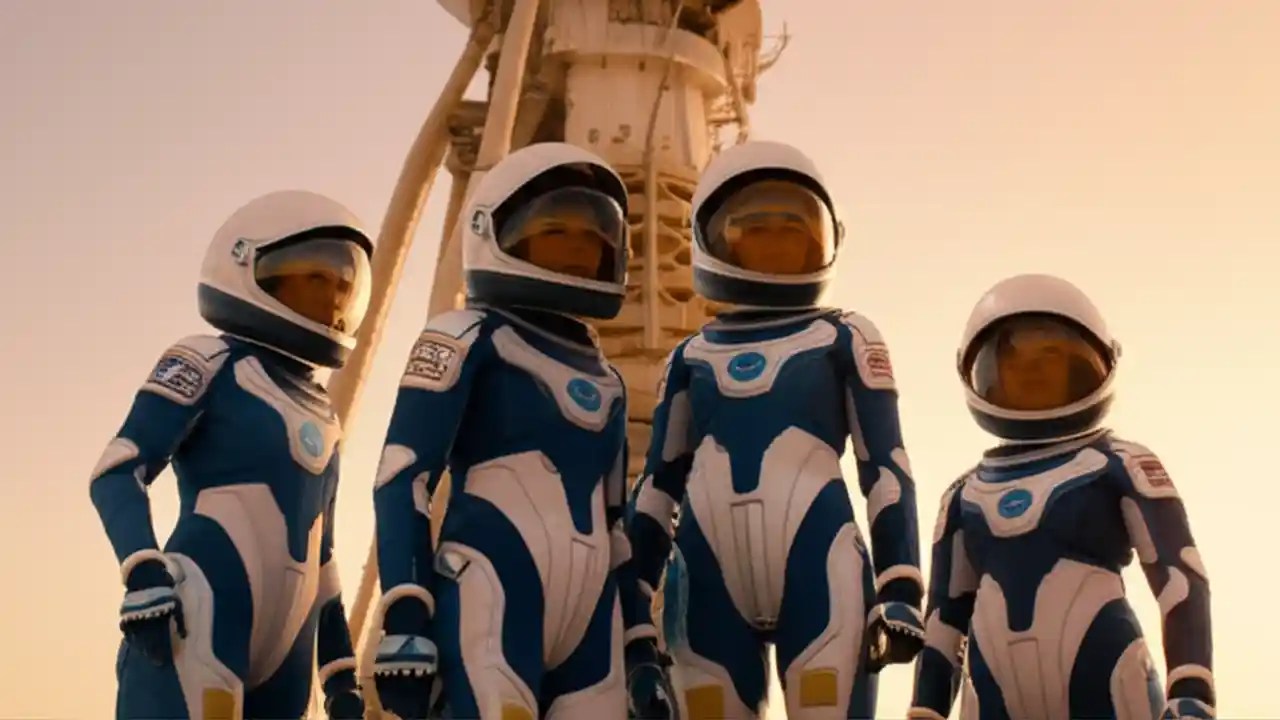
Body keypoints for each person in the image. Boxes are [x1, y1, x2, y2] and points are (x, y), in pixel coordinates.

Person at [626, 140, 925, 719]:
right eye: (753, 231)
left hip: (823, 562)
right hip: (705, 581)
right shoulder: (688, 359)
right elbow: (657, 487)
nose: (774, 247)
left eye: (793, 230)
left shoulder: (846, 337)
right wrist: (634, 608)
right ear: (713, 239)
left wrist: (901, 586)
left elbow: (885, 466)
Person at [368, 141, 641, 719]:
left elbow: (615, 529)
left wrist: (640, 640)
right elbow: (403, 479)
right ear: (492, 229)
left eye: (593, 237)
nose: (577, 248)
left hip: (592, 622)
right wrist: (406, 614)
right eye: (556, 231)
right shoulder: (465, 336)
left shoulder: (610, 381)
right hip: (488, 589)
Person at [89, 190, 372, 719]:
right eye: (316, 277)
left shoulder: (325, 414)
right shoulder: (207, 358)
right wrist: (143, 572)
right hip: (197, 615)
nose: (333, 297)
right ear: (252, 263)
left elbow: (322, 554)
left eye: (343, 284)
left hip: (288, 651)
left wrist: (338, 673)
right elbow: (117, 468)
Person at [907, 273, 1215, 720]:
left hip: (1108, 681)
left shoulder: (1120, 464)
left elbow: (1180, 578)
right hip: (992, 693)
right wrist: (926, 709)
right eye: (1015, 357)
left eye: (1049, 355)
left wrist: (1191, 690)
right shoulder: (963, 495)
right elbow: (944, 619)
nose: (1032, 368)